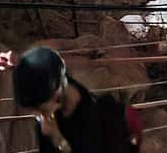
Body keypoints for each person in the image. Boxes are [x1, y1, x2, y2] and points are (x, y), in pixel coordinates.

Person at [9, 46, 140, 153]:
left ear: (57, 97)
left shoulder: (98, 119)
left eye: (40, 109)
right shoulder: (52, 107)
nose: (38, 115)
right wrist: (24, 66)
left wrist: (58, 140)